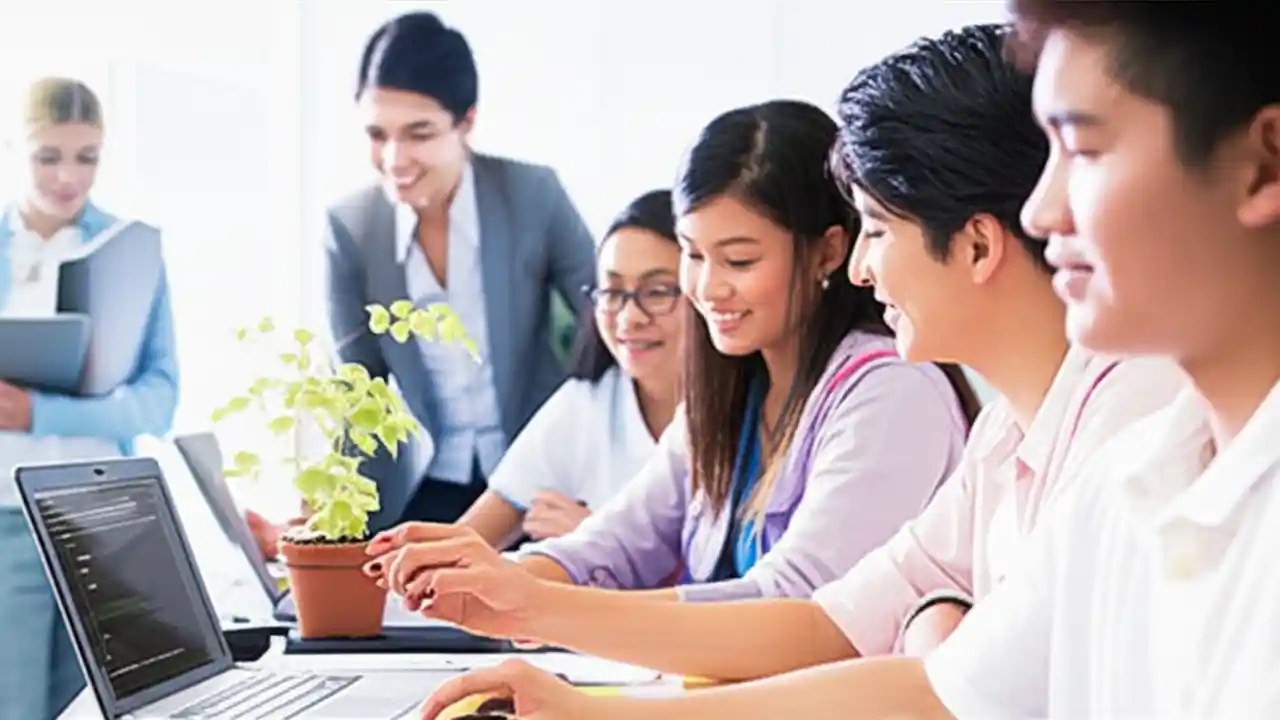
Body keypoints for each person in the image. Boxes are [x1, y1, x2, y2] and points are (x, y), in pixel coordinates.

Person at [418, 3, 1280, 718]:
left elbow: (923, 681)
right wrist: (534, 611)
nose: (1046, 210)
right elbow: (871, 637)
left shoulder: (1106, 421)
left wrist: (578, 671)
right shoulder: (1098, 455)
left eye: (1084, 151)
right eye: (694, 257)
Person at [367, 99, 976, 610]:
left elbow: (797, 602)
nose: (707, 288)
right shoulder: (732, 395)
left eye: (739, 260)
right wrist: (487, 574)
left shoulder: (891, 393)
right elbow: (611, 546)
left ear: (828, 252)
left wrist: (550, 605)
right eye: (694, 254)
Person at [246, 11, 596, 554]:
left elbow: (607, 325)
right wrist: (329, 512)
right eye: (377, 135)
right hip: (421, 490)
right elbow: (356, 389)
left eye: (420, 133)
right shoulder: (351, 229)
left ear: (467, 123)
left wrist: (603, 490)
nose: (395, 159)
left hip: (534, 486)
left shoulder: (533, 196)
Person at [0, 77, 178, 720]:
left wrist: (39, 413)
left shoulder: (130, 249)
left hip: (105, 518)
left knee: (104, 706)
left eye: (87, 157)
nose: (68, 177)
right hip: (6, 515)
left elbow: (160, 400)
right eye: (48, 156)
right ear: (16, 149)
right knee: (15, 703)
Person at [458, 190, 683, 549]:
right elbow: (472, 535)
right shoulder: (590, 400)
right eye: (612, 292)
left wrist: (598, 537)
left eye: (657, 292)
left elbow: (732, 575)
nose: (629, 318)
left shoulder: (752, 417)